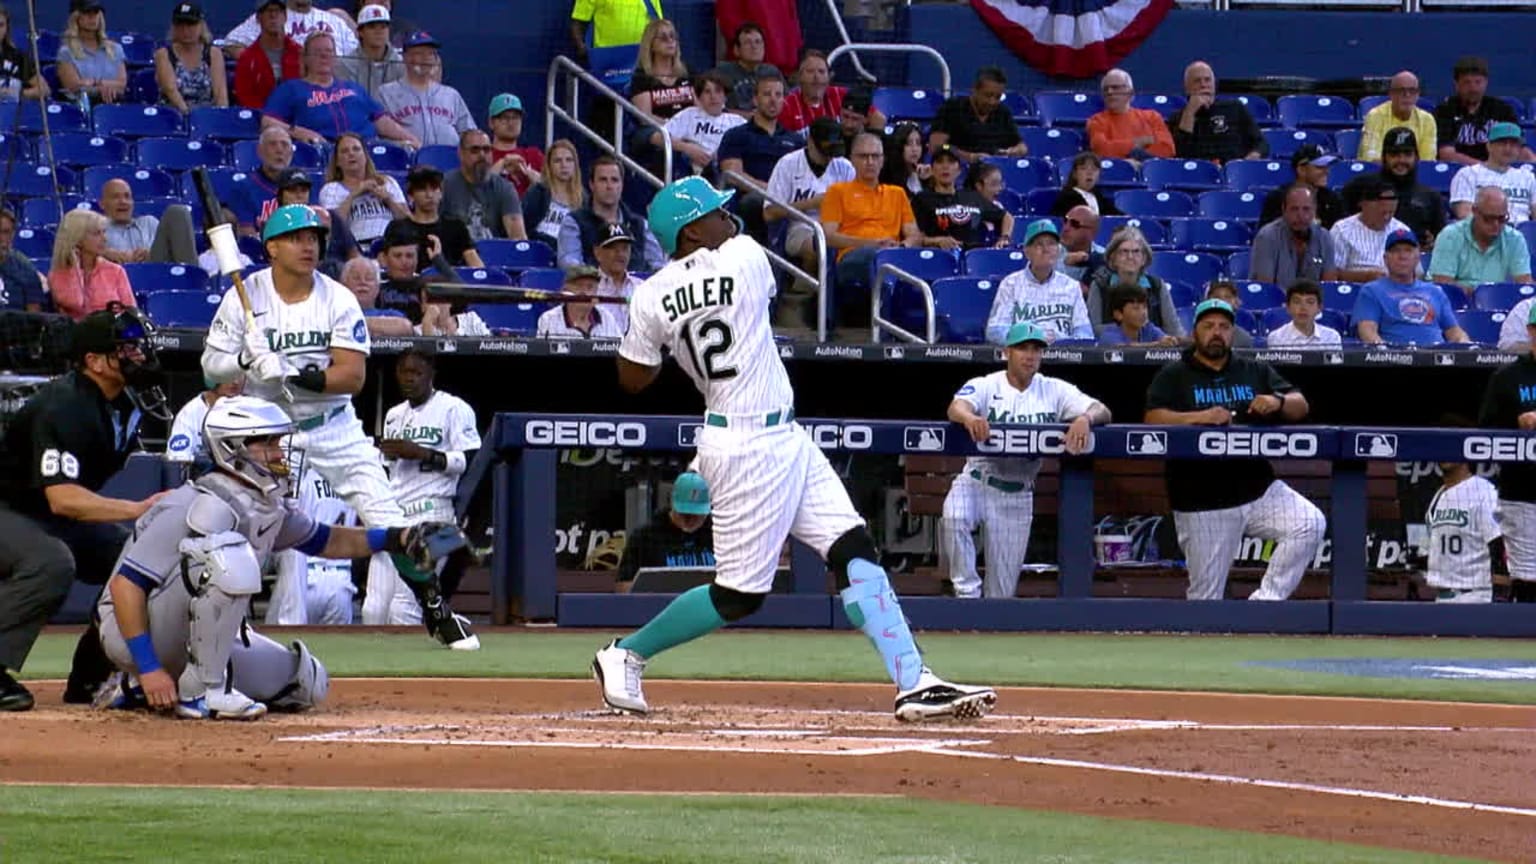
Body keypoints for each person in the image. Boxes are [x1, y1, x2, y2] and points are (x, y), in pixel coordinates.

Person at [596, 174, 996, 721]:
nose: (728, 217)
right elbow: (733, 299)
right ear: (690, 231)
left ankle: (914, 679)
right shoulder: (743, 256)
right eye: (714, 212)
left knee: (852, 545)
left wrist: (651, 323)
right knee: (738, 594)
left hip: (781, 435)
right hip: (746, 444)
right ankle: (625, 654)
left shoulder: (650, 296)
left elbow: (633, 378)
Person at [200, 204, 479, 650]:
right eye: (296, 238)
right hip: (269, 433)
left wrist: (291, 371)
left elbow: (352, 376)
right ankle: (217, 624)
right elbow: (210, 367)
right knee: (243, 524)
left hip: (333, 425)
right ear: (272, 247)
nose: (308, 245)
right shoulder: (244, 295)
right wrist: (245, 359)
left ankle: (436, 611)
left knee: (388, 518)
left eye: (313, 237)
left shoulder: (336, 297)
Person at [95, 396, 459, 718]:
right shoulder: (197, 502)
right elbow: (126, 586)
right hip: (129, 631)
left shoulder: (263, 504)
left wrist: (396, 538)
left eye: (277, 441)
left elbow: (326, 540)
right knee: (228, 558)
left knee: (306, 681)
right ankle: (202, 692)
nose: (278, 452)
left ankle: (138, 689)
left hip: (187, 637)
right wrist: (147, 665)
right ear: (233, 447)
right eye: (266, 442)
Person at [0, 309, 169, 712]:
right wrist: (137, 508)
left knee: (136, 560)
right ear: (94, 361)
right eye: (125, 348)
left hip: (40, 512)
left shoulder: (125, 404)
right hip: (10, 507)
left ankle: (93, 674)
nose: (137, 354)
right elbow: (64, 499)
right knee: (52, 562)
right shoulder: (60, 405)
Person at [1144, 298, 1326, 601]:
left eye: (1224, 327)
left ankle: (1264, 603)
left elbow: (1301, 404)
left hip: (1257, 488)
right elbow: (1152, 419)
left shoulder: (1252, 369)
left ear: (1233, 333)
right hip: (1202, 499)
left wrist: (1277, 401)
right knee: (1205, 599)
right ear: (1196, 331)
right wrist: (1200, 417)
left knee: (1309, 523)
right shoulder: (1175, 373)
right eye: (1209, 326)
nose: (1217, 332)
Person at [944, 322, 1109, 599]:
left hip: (1017, 492)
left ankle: (989, 627)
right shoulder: (986, 384)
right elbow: (956, 406)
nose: (1030, 355)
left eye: (1036, 349)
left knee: (1002, 593)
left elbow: (1102, 409)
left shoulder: (1054, 389)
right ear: (1007, 352)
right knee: (954, 517)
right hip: (976, 479)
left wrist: (1084, 418)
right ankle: (966, 595)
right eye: (1022, 348)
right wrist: (970, 417)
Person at [364, 350, 481, 626]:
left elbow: (472, 459)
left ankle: (417, 668)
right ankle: (374, 669)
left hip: (433, 513)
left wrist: (423, 453)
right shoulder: (394, 415)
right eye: (404, 372)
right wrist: (389, 455)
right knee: (373, 609)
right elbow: (389, 468)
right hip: (394, 515)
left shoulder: (454, 408)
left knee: (403, 609)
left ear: (431, 375)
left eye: (416, 373)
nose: (409, 379)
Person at [820, 132, 924, 326]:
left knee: (918, 260)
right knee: (879, 260)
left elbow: (913, 234)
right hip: (853, 257)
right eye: (863, 156)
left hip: (891, 254)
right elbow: (829, 236)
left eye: (875, 156)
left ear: (883, 160)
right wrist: (871, 244)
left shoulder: (897, 193)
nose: (870, 162)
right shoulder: (837, 192)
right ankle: (886, 328)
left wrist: (902, 247)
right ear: (852, 160)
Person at [764, 117, 854, 330]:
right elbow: (769, 213)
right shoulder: (788, 164)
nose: (830, 155)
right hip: (799, 226)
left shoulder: (844, 166)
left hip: (838, 226)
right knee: (819, 244)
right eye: (826, 149)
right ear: (811, 142)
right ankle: (806, 290)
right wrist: (812, 203)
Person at [262, 32, 418, 148]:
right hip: (324, 150)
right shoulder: (291, 89)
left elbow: (380, 120)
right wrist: (299, 132)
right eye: (317, 52)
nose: (324, 56)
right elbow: (268, 122)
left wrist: (412, 140)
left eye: (329, 52)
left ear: (336, 57)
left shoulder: (353, 87)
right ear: (305, 58)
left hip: (367, 149)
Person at [1478, 311, 1536, 603]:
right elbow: (1485, 432)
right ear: (1531, 331)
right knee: (1527, 577)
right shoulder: (1507, 377)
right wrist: (1517, 424)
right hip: (1522, 491)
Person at [1353, 229, 1468, 346]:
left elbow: (1454, 331)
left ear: (1418, 257)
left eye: (1408, 250)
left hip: (1436, 357)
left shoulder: (1435, 292)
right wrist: (1385, 354)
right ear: (1385, 258)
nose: (1402, 256)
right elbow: (1368, 331)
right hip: (1395, 358)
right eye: (1395, 251)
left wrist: (1464, 344)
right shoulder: (1371, 291)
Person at [986, 220, 1094, 344]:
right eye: (1039, 244)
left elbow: (1085, 334)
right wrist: (1032, 339)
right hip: (1025, 353)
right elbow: (995, 331)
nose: (1046, 249)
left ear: (1058, 250)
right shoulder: (1010, 284)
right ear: (1027, 252)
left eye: (1051, 244)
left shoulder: (1071, 286)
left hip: (1063, 357)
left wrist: (1061, 342)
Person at [556, 155, 666, 272]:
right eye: (603, 180)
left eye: (614, 180)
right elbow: (570, 264)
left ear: (621, 185)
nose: (609, 186)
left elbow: (658, 266)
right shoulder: (574, 222)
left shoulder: (640, 225)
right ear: (592, 185)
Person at [1342, 129, 1446, 249]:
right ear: (1384, 157)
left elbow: (1441, 241)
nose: (1401, 160)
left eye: (1407, 154)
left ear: (1416, 157)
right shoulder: (1359, 188)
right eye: (1394, 155)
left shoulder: (1431, 197)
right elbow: (1344, 228)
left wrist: (1433, 244)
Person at [615, 471, 715, 593]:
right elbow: (623, 588)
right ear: (672, 504)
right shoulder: (646, 536)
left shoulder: (719, 534)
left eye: (698, 515)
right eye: (685, 514)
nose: (691, 520)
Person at [376, 31, 475, 149]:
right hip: (408, 162)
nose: (426, 59)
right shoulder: (386, 93)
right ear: (405, 57)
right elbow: (378, 135)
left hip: (451, 162)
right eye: (419, 53)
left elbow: (470, 134)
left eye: (431, 54)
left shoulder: (451, 95)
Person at [1421, 460, 1500, 604]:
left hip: (1474, 597)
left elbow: (1499, 545)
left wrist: (1500, 597)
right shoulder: (1438, 495)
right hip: (1441, 597)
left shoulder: (1483, 491)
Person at [1084, 226, 1184, 337]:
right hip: (1110, 350)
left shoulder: (1157, 286)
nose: (1130, 256)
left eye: (1136, 252)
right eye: (1124, 251)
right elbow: (1093, 329)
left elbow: (1173, 329)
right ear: (1113, 258)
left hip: (1154, 351)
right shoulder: (1099, 286)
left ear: (1144, 258)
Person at [1433, 56, 1533, 166]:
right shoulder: (1444, 111)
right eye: (1467, 83)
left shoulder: (1502, 110)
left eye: (1478, 82)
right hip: (1458, 172)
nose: (1473, 88)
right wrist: (1484, 169)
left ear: (1486, 83)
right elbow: (1446, 154)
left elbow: (1520, 149)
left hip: (1499, 172)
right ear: (1456, 85)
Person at [318, 131, 409, 246]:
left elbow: (407, 221)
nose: (351, 154)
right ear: (337, 162)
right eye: (345, 151)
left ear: (365, 156)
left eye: (356, 149)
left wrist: (388, 200)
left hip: (391, 246)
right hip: (357, 247)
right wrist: (354, 194)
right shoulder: (331, 189)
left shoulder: (388, 182)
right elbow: (333, 227)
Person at [383, 164, 484, 268]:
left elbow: (474, 262)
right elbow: (385, 262)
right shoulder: (397, 228)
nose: (429, 195)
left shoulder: (456, 227)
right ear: (411, 196)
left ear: (441, 193)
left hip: (449, 282)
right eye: (422, 189)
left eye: (434, 188)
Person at [912, 145, 1008, 251]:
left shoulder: (972, 196)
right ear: (932, 169)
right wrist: (937, 241)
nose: (945, 166)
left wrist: (1004, 237)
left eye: (951, 162)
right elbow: (915, 238)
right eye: (940, 162)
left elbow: (1006, 217)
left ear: (959, 170)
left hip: (973, 257)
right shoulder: (922, 199)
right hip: (939, 255)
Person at [1169, 61, 1265, 163]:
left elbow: (1261, 143)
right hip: (1199, 173)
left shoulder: (1235, 107)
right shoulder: (1179, 117)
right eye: (1197, 81)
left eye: (1207, 80)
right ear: (1187, 88)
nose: (1203, 85)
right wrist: (1190, 112)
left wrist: (1250, 159)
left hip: (1235, 170)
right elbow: (1180, 154)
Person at [48, 210, 135, 321]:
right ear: (77, 238)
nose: (104, 239)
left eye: (104, 232)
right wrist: (76, 267)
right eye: (96, 234)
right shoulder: (58, 274)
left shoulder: (115, 271)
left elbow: (131, 312)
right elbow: (76, 303)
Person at [650, 72, 745, 175]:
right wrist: (686, 148)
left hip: (723, 172)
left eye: (718, 91)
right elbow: (656, 138)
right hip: (690, 170)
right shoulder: (689, 115)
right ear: (699, 97)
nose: (713, 96)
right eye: (707, 92)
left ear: (725, 96)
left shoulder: (737, 122)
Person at [441, 129, 527, 242]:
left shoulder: (505, 188)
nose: (482, 155)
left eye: (487, 150)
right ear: (461, 154)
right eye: (475, 150)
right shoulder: (444, 184)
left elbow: (518, 237)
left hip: (494, 256)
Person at [928, 66, 1025, 162]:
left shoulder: (1003, 113)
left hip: (995, 170)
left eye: (997, 97)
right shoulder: (952, 108)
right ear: (975, 90)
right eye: (988, 95)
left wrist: (1011, 152)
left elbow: (1022, 147)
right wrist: (969, 157)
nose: (992, 102)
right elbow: (938, 146)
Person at [778, 48, 884, 134]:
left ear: (829, 77)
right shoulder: (787, 105)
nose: (816, 77)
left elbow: (878, 119)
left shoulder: (841, 95)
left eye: (821, 72)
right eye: (810, 71)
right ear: (800, 77)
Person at [1249, 185, 1339, 285]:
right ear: (1284, 209)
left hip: (1312, 300)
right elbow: (1265, 287)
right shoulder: (1267, 236)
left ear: (1315, 210)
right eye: (1294, 209)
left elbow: (1329, 285)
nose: (1300, 215)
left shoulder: (1324, 237)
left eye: (1306, 209)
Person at [1448, 122, 1535, 225]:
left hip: (1523, 235)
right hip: (1484, 234)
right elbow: (1464, 213)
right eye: (1502, 143)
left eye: (1513, 144)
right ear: (1489, 146)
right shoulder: (1467, 174)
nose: (1508, 148)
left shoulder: (1527, 177)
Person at [1330, 178, 1414, 284]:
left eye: (1391, 213)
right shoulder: (1342, 230)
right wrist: (1365, 276)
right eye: (1383, 213)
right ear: (1364, 205)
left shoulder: (1402, 230)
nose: (1387, 218)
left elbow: (1417, 273)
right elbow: (1333, 273)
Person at [98, 179, 199, 266]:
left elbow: (166, 252)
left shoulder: (149, 222)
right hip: (118, 278)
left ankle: (192, 281)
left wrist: (149, 254)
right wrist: (104, 253)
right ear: (102, 204)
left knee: (178, 212)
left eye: (127, 197)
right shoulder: (96, 228)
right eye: (115, 197)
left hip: (155, 272)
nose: (123, 201)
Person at [1085, 68, 1174, 163]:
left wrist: (1137, 157)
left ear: (1130, 93)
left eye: (1115, 87)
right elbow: (1101, 150)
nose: (1109, 92)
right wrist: (1138, 143)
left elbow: (1168, 149)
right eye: (1105, 89)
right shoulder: (1096, 121)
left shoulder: (1152, 117)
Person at [153, 3, 228, 112]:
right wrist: (189, 116)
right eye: (180, 25)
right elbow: (170, 90)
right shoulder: (163, 54)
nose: (186, 30)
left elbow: (220, 94)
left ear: (201, 25)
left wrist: (221, 117)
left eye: (191, 24)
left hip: (207, 116)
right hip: (173, 115)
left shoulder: (214, 54)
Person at [165, 376, 245, 470]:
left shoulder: (249, 408)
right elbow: (178, 459)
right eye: (229, 375)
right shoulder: (190, 412)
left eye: (240, 376)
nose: (235, 382)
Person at [225, 0, 358, 57]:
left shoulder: (334, 20)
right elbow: (231, 43)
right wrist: (264, 64)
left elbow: (357, 57)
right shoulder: (273, 15)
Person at [233, 0, 302, 110]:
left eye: (278, 11)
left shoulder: (300, 53)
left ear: (285, 17)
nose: (273, 15)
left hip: (298, 117)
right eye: (268, 11)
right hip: (262, 119)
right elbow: (245, 99)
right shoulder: (247, 59)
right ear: (258, 18)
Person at [56, 0, 127, 106]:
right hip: (81, 106)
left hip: (114, 104)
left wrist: (94, 83)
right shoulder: (66, 52)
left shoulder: (116, 49)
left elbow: (121, 84)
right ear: (76, 17)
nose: (92, 17)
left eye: (96, 12)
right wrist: (102, 88)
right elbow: (73, 86)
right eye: (87, 12)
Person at [1358, 71, 1437, 163]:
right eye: (1401, 90)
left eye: (1412, 91)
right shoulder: (1375, 116)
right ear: (1391, 94)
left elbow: (1426, 163)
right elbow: (1371, 160)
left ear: (1417, 95)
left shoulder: (1427, 120)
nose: (1407, 95)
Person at [1259, 145, 1343, 229]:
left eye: (1327, 167)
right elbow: (1266, 236)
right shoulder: (1278, 198)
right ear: (1301, 170)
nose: (1326, 172)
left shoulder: (1332, 199)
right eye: (1320, 167)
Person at [522, 139, 584, 250]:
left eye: (569, 160)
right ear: (549, 165)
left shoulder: (583, 198)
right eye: (557, 161)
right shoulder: (538, 192)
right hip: (538, 250)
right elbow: (524, 227)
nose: (564, 165)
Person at [629, 18, 692, 123]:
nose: (670, 40)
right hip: (656, 129)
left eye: (672, 36)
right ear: (651, 44)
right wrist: (672, 127)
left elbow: (701, 108)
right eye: (663, 37)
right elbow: (644, 117)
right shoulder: (642, 77)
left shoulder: (686, 72)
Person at [536, 265, 625, 339]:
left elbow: (620, 353)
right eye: (578, 286)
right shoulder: (549, 319)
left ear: (596, 291)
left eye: (590, 287)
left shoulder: (606, 317)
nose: (584, 292)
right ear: (565, 290)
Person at [336, 4, 402, 101]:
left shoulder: (401, 64)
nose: (378, 31)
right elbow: (348, 102)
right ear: (360, 32)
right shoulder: (345, 64)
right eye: (372, 27)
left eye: (383, 27)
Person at [487, 93, 544, 197]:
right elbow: (474, 191)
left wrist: (529, 174)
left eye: (516, 117)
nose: (511, 123)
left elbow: (557, 189)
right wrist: (502, 164)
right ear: (491, 122)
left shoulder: (533, 154)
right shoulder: (482, 154)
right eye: (505, 118)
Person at [1265, 279, 1341, 349]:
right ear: (1288, 307)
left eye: (1310, 302)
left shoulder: (1331, 337)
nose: (1303, 308)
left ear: (1319, 308)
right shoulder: (1276, 338)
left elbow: (1335, 362)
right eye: (1297, 302)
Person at [1096, 283, 1177, 346]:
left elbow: (1165, 340)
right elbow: (1124, 348)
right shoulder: (1109, 335)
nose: (1143, 312)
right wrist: (1158, 344)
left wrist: (1170, 340)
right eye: (1136, 308)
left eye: (1145, 307)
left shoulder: (1149, 329)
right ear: (1119, 314)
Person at [712, 21, 766, 113]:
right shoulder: (722, 72)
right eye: (747, 43)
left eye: (758, 42)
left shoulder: (772, 72)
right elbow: (713, 106)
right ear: (736, 50)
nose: (754, 47)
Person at [0, 210, 47, 312]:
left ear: (13, 234)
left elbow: (34, 317)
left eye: (6, 232)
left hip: (14, 326)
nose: (1, 238)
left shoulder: (25, 268)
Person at [0, 7, 49, 102]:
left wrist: (16, 93)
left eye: (1, 25)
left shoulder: (18, 57)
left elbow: (44, 89)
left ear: (7, 28)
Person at [1051, 152, 1120, 218]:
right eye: (1083, 168)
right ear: (1075, 174)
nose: (1089, 173)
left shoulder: (1099, 197)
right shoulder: (1067, 197)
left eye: (1094, 169)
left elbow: (1119, 217)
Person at [1055, 206, 1103, 283]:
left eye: (1074, 224)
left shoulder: (1104, 258)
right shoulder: (1048, 255)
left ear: (1092, 232)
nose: (1066, 228)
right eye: (1065, 221)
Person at [880, 123, 929, 197]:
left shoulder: (925, 176)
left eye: (918, 143)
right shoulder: (887, 176)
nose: (914, 149)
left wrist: (929, 181)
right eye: (908, 144)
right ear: (899, 146)